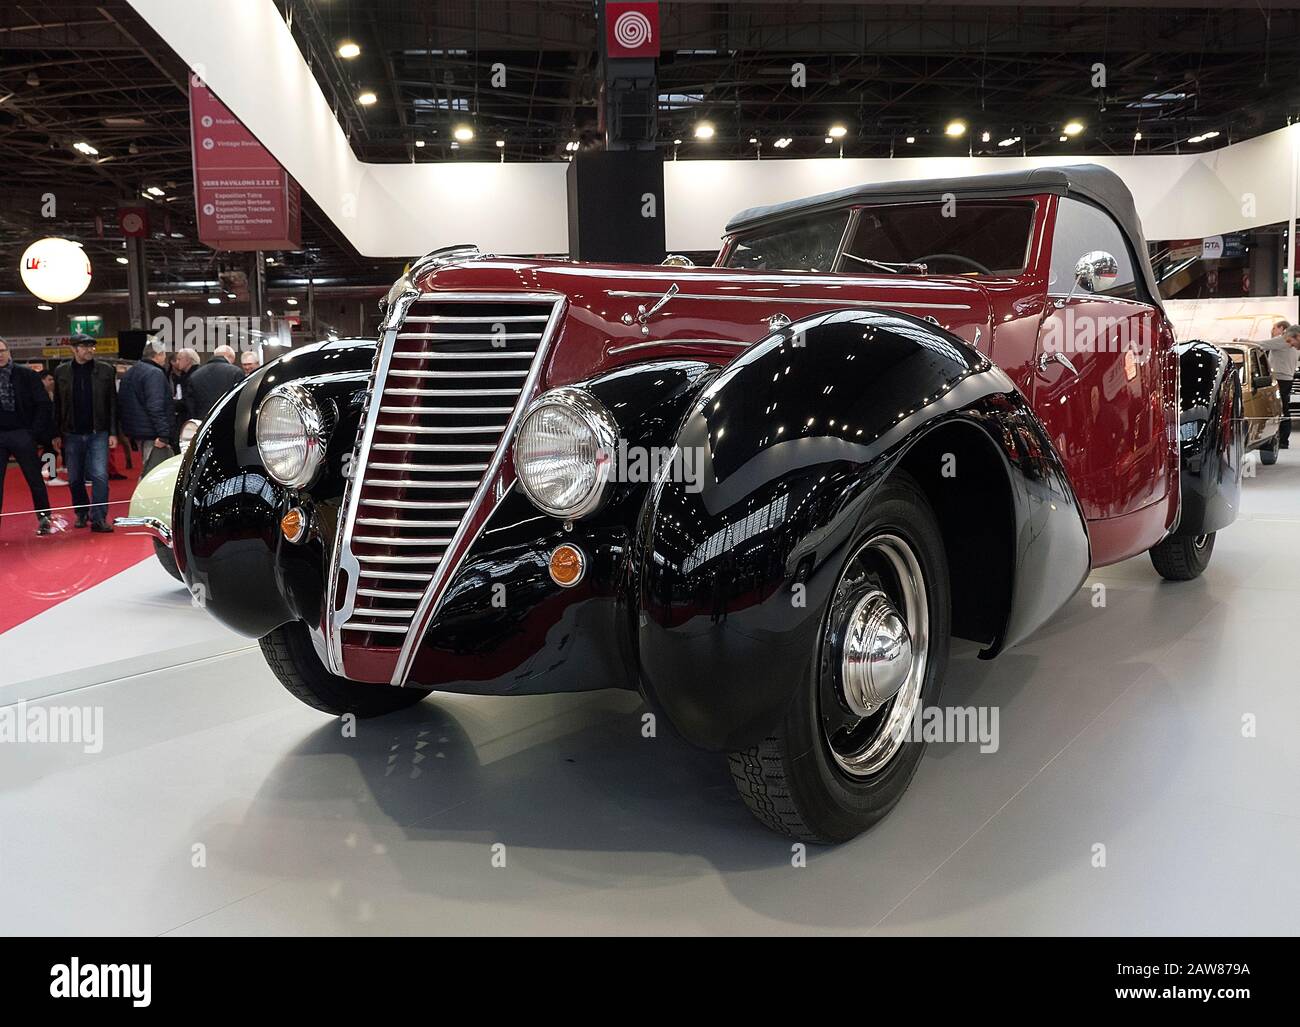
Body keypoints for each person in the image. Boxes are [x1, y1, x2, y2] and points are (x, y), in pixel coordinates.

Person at [53, 334, 117, 531]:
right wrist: (56, 433)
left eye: (92, 346)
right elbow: (57, 403)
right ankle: (81, 513)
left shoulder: (106, 370)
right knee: (74, 478)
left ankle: (98, 518)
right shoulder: (61, 372)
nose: (90, 350)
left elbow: (112, 404)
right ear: (74, 349)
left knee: (99, 476)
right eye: (85, 346)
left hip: (98, 432)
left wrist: (113, 432)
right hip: (71, 433)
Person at [0, 336, 54, 534]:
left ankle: (45, 520)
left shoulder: (26, 375)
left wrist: (33, 433)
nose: (0, 355)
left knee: (35, 480)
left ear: (9, 351)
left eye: (2, 350)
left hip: (22, 433)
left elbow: (43, 404)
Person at [118, 339, 175, 475]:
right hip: (152, 432)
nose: (165, 358)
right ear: (158, 354)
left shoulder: (131, 372)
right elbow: (155, 405)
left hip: (137, 430)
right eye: (164, 354)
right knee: (154, 472)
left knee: (148, 467)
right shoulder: (154, 373)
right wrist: (163, 434)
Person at [1262, 320, 1298, 449]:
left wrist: (1240, 340)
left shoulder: (1283, 339)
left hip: (1281, 378)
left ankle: (1281, 439)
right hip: (1286, 377)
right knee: (1283, 408)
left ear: (1282, 328)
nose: (1272, 331)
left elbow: (1262, 344)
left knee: (1280, 409)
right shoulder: (1287, 340)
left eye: (1274, 328)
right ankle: (1282, 439)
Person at [186, 345, 244, 418]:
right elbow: (240, 401)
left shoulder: (194, 375)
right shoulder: (236, 372)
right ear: (230, 357)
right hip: (228, 421)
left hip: (203, 423)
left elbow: (190, 405)